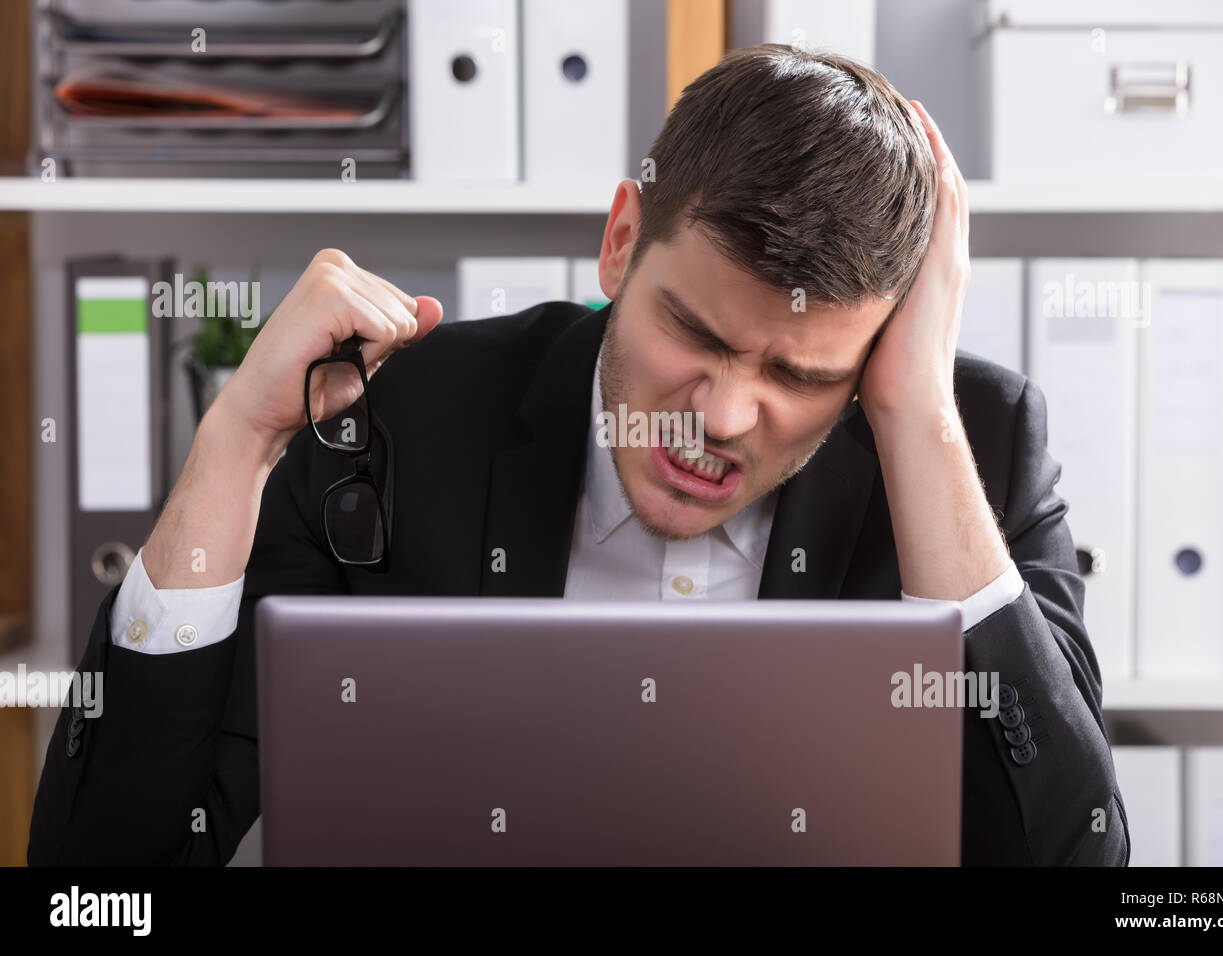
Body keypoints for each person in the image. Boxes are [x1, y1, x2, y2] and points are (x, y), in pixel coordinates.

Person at [29, 44, 1129, 866]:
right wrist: (233, 442)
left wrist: (917, 423)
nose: (728, 415)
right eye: (695, 333)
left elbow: (1073, 861)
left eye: (799, 376)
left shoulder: (963, 440)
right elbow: (102, 877)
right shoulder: (409, 415)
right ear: (619, 240)